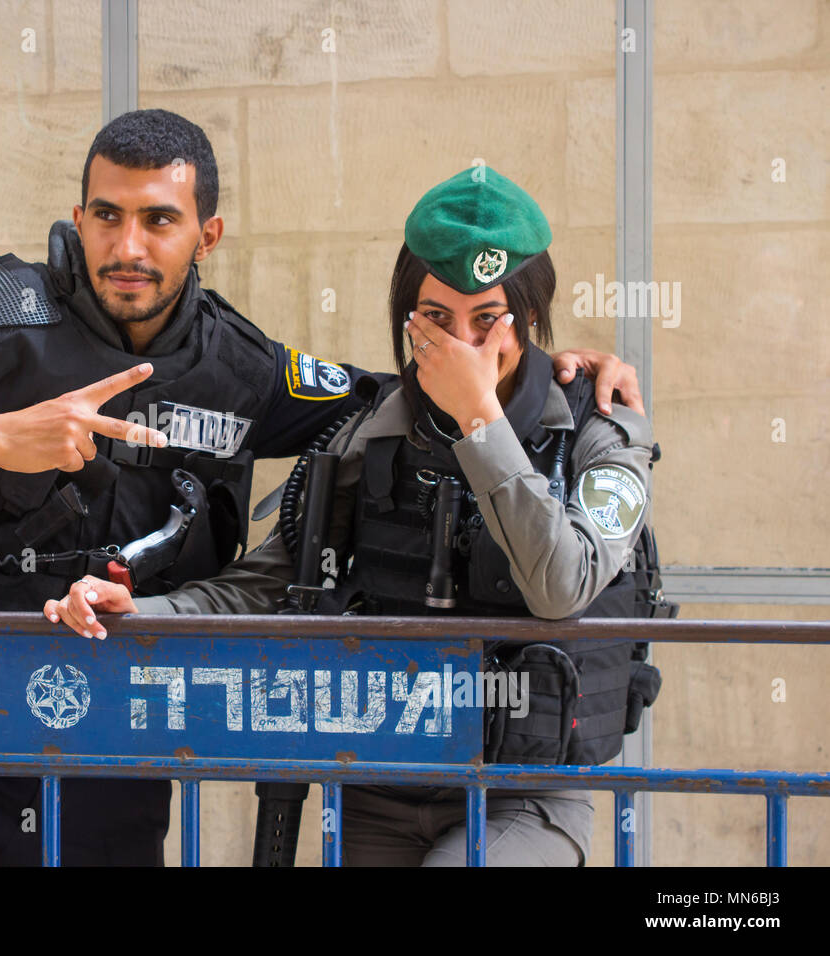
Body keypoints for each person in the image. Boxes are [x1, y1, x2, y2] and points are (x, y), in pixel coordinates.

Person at [0, 108, 642, 866]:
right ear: (78, 219)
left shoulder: (245, 366)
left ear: (207, 235)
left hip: (112, 747)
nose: (128, 247)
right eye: (106, 215)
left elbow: (413, 396)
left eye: (159, 220)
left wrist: (557, 372)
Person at [45, 164, 665, 866]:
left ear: (528, 315)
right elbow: (269, 582)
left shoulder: (599, 430)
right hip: (380, 788)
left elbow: (563, 584)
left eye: (488, 321)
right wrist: (140, 613)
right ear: (408, 319)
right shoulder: (373, 432)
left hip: (523, 793)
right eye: (437, 320)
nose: (463, 345)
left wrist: (482, 422)